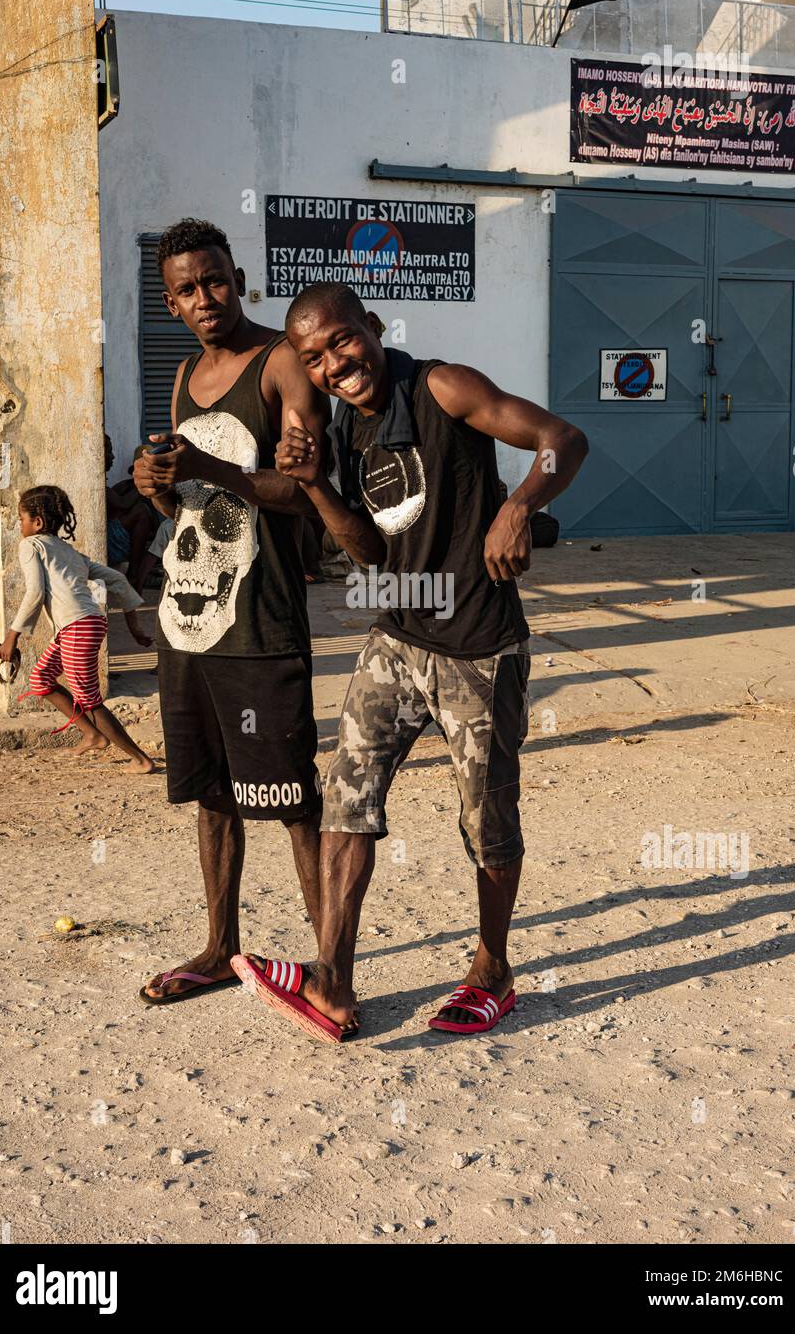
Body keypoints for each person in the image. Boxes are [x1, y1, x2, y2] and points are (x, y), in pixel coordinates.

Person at [231, 283, 588, 1042]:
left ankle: (492, 971)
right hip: (397, 638)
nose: (333, 364)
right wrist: (314, 485)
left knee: (486, 822)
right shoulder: (343, 430)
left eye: (341, 341)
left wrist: (516, 506)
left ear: (371, 326)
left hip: (478, 649)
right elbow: (367, 553)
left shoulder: (441, 386)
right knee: (346, 795)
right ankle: (332, 984)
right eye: (313, 357)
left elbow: (563, 437)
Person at [132, 218, 331, 1006]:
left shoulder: (281, 364)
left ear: (238, 277)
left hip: (262, 623)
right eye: (185, 289)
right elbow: (190, 499)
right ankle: (220, 948)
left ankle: (330, 968)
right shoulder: (183, 376)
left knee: (291, 802)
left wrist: (210, 464)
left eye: (214, 280)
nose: (204, 298)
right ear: (171, 301)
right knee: (213, 794)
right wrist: (156, 484)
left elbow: (303, 493)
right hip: (191, 621)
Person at [0, 485, 156, 772]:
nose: (19, 524)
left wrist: (11, 638)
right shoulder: (66, 551)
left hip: (77, 627)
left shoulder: (30, 545)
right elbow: (117, 580)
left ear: (38, 522)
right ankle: (92, 735)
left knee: (90, 700)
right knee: (42, 679)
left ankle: (141, 759)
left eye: (21, 518)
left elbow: (34, 593)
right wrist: (134, 626)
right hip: (84, 624)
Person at [105, 434, 158, 577]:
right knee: (141, 511)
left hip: (150, 541)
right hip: (113, 544)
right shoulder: (122, 488)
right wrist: (139, 486)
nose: (113, 457)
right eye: (109, 452)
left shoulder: (162, 488)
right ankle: (134, 572)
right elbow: (122, 504)